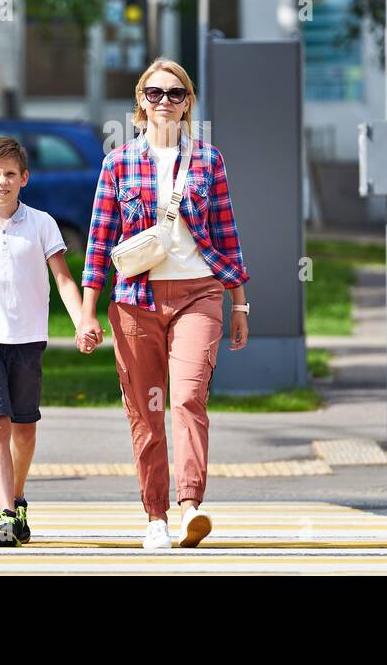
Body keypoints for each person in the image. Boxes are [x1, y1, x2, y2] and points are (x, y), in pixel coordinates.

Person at [77, 58, 250, 549]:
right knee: (144, 410)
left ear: (188, 102)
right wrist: (88, 312)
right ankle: (155, 517)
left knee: (188, 397)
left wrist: (239, 303)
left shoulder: (208, 161)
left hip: (199, 292)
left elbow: (227, 236)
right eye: (155, 94)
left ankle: (191, 505)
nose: (166, 102)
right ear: (140, 104)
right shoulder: (118, 164)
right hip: (135, 301)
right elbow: (98, 242)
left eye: (176, 94)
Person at [0, 135, 95, 547]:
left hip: (28, 338)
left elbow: (64, 278)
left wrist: (82, 320)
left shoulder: (42, 223)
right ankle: (3, 513)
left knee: (24, 427)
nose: (2, 181)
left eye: (10, 174)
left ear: (24, 178)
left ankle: (17, 499)